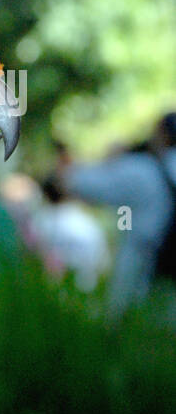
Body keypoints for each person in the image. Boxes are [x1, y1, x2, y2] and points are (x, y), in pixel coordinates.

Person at [58, 113, 176, 315]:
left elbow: (78, 182)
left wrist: (113, 161)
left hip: (145, 269)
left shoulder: (144, 171)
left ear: (162, 135)